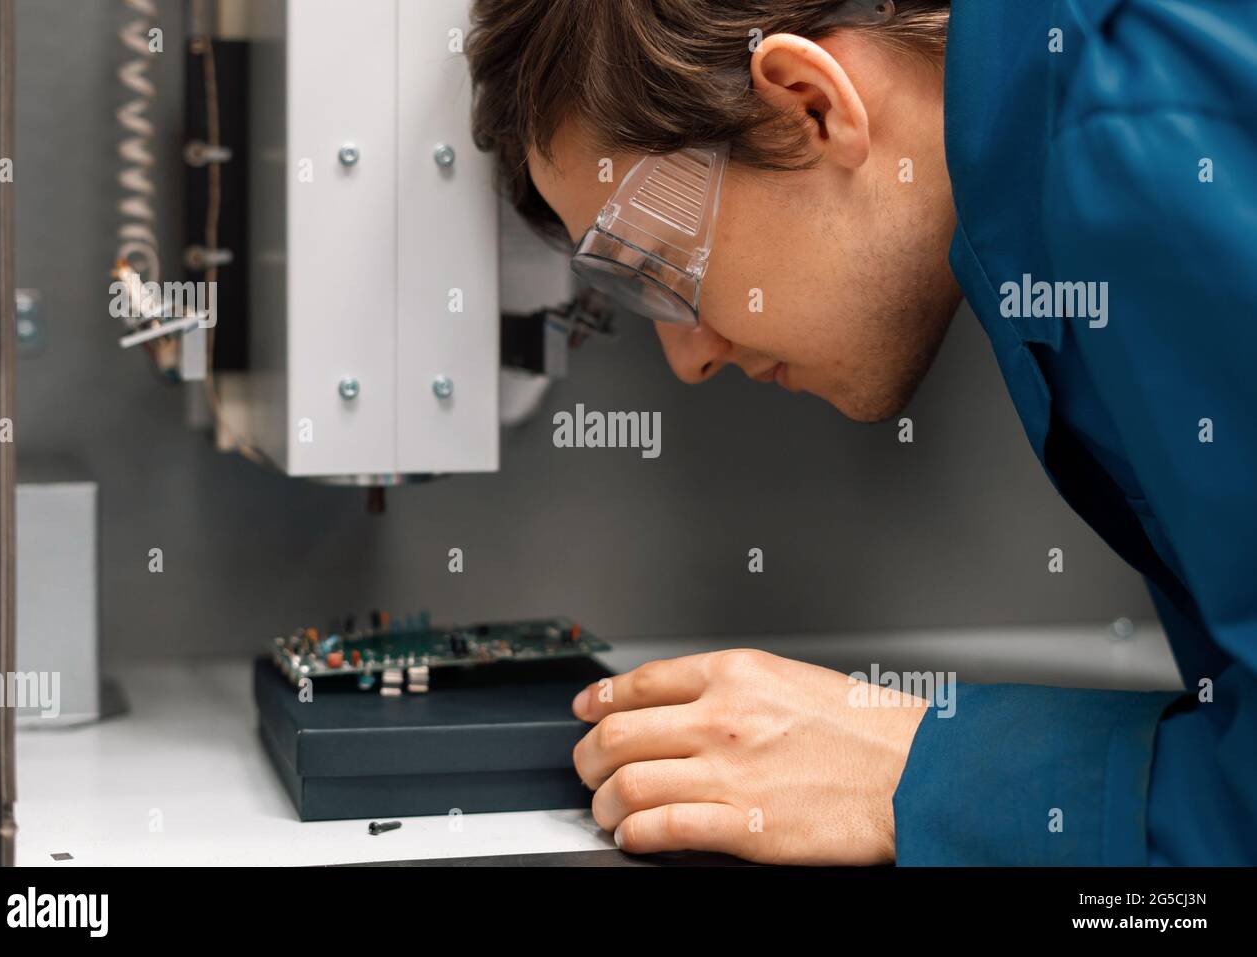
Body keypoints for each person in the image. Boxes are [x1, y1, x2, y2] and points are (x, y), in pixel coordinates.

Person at [465, 0, 1257, 865]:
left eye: (657, 266)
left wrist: (917, 769)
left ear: (812, 104)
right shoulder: (1082, 126)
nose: (687, 358)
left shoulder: (1135, 144)